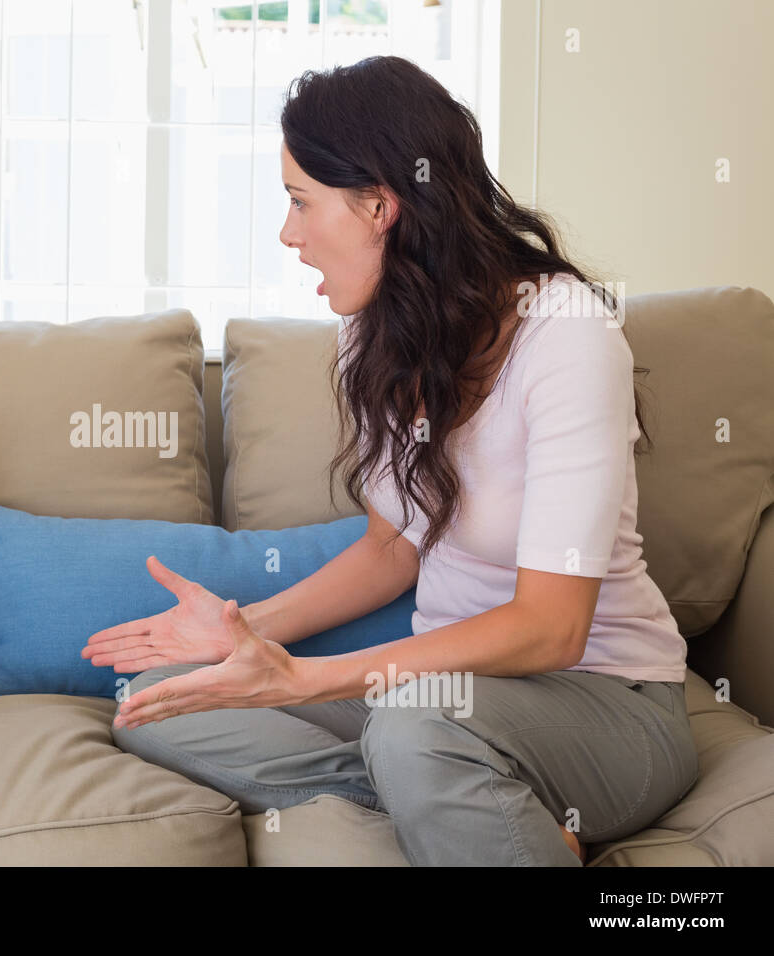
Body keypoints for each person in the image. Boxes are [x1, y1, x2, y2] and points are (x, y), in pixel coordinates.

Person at [84, 56, 697, 867]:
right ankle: (468, 806)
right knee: (159, 703)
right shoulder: (375, 332)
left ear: (380, 205)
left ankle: (445, 788)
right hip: (436, 702)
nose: (288, 234)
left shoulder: (566, 335)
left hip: (605, 701)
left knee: (414, 730)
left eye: (301, 201)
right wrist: (240, 635)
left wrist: (311, 681)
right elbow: (392, 547)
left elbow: (552, 628)